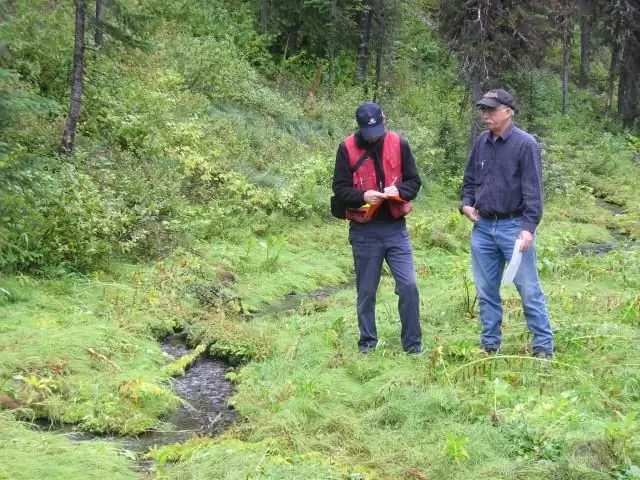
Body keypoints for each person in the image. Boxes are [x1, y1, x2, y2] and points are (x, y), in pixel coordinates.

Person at [460, 88, 553, 359]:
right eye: (483, 110)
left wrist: (528, 228)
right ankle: (490, 345)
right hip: (483, 228)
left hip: (514, 227)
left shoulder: (526, 144)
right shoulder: (481, 142)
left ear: (508, 112)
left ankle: (543, 348)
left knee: (528, 289)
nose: (485, 115)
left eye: (491, 110)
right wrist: (465, 204)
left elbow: (534, 191)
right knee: (486, 290)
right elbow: (469, 180)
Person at [332, 102, 422, 354]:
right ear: (360, 127)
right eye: (369, 132)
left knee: (408, 286)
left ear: (384, 120)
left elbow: (414, 182)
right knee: (367, 291)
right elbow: (339, 190)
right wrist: (363, 196)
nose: (374, 136)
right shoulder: (346, 148)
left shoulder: (399, 144)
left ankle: (413, 346)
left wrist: (399, 191)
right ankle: (367, 345)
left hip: (395, 229)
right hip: (364, 232)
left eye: (378, 130)